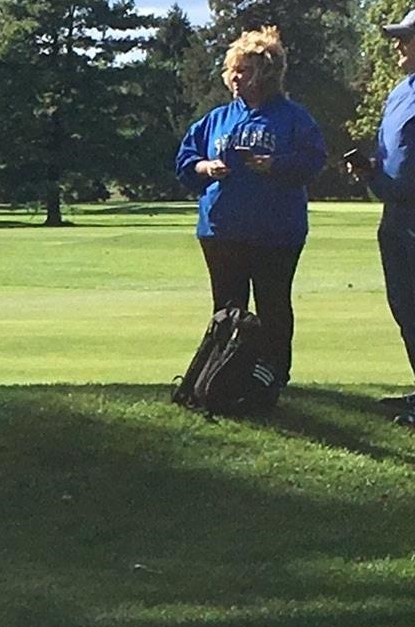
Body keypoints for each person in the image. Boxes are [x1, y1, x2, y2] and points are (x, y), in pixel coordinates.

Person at [174, 26, 325, 404]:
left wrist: (273, 164)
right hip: (221, 230)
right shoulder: (217, 119)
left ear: (267, 73)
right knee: (227, 308)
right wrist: (206, 168)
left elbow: (314, 160)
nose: (236, 77)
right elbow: (184, 162)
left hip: (276, 233)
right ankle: (222, 377)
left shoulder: (293, 118)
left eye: (244, 70)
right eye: (233, 70)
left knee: (273, 306)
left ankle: (269, 378)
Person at [357, 10, 415, 419]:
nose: (398, 45)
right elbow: (389, 154)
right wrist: (368, 168)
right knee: (405, 307)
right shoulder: (399, 92)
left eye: (406, 38)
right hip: (395, 218)